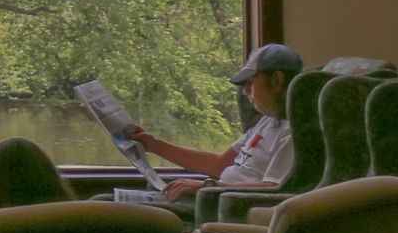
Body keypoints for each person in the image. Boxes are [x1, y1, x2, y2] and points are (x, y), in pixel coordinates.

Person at [127, 42, 302, 204]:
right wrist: (154, 145)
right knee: (118, 200)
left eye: (250, 82)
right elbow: (218, 165)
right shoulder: (265, 122)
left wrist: (207, 188)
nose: (245, 92)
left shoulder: (293, 133)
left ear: (277, 80)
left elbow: (274, 189)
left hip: (224, 204)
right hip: (214, 196)